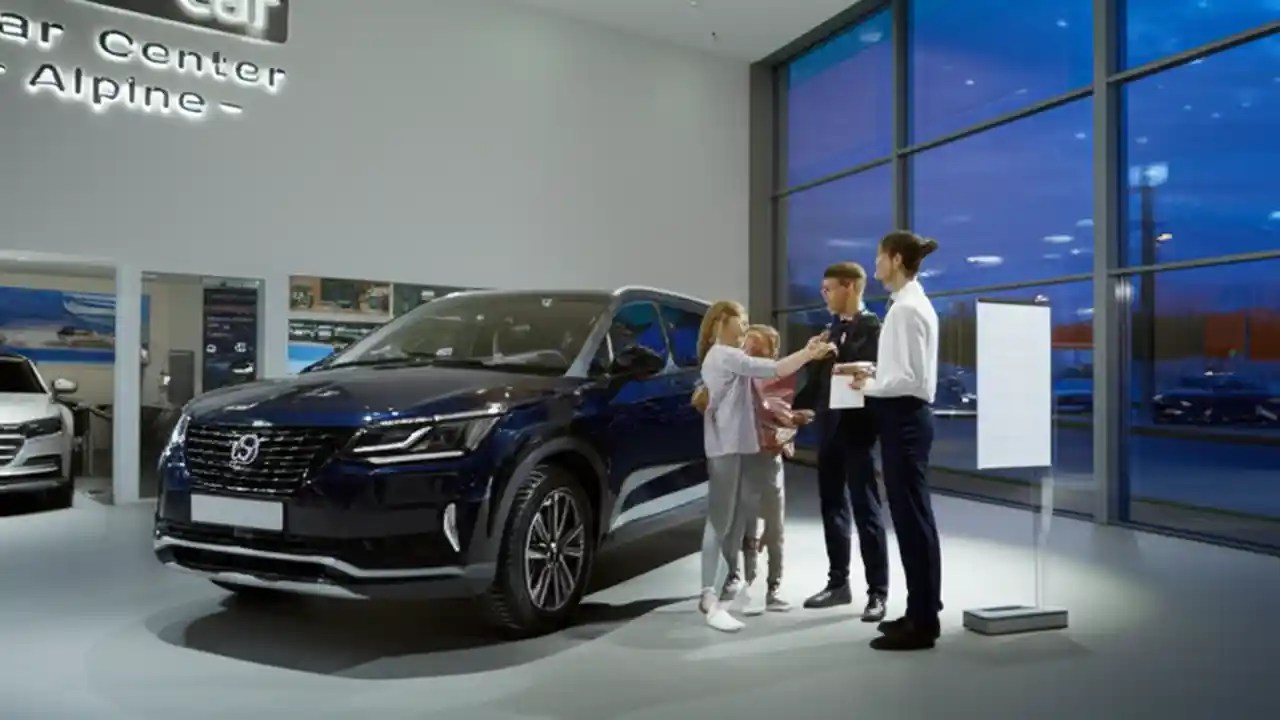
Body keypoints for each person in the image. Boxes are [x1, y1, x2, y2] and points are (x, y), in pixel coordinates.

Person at [695, 301, 834, 633]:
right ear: (720, 321)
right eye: (740, 321)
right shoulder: (726, 356)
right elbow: (772, 369)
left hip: (731, 448)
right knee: (721, 524)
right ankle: (710, 599)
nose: (745, 327)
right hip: (727, 449)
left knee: (726, 523)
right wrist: (807, 353)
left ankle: (714, 594)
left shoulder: (721, 356)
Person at [844, 231, 943, 651]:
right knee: (915, 518)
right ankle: (921, 610)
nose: (875, 264)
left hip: (903, 417)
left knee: (911, 521)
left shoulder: (904, 310)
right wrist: (878, 378)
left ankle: (922, 623)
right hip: (908, 418)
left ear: (896, 259)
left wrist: (866, 384)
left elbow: (906, 379)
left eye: (879, 257)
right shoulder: (912, 304)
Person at [794, 262, 889, 622]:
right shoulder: (829, 329)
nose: (824, 295)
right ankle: (838, 584)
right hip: (829, 431)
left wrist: (836, 355)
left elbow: (872, 372)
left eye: (828, 288)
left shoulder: (874, 328)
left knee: (867, 511)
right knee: (831, 507)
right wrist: (795, 410)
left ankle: (877, 593)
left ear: (849, 287)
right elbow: (818, 382)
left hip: (858, 432)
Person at [729, 324, 813, 614]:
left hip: (770, 461)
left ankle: (774, 587)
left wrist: (791, 421)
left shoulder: (778, 378)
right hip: (744, 460)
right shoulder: (736, 378)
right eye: (747, 347)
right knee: (746, 526)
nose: (749, 352)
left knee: (774, 529)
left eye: (757, 348)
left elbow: (783, 417)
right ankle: (745, 582)